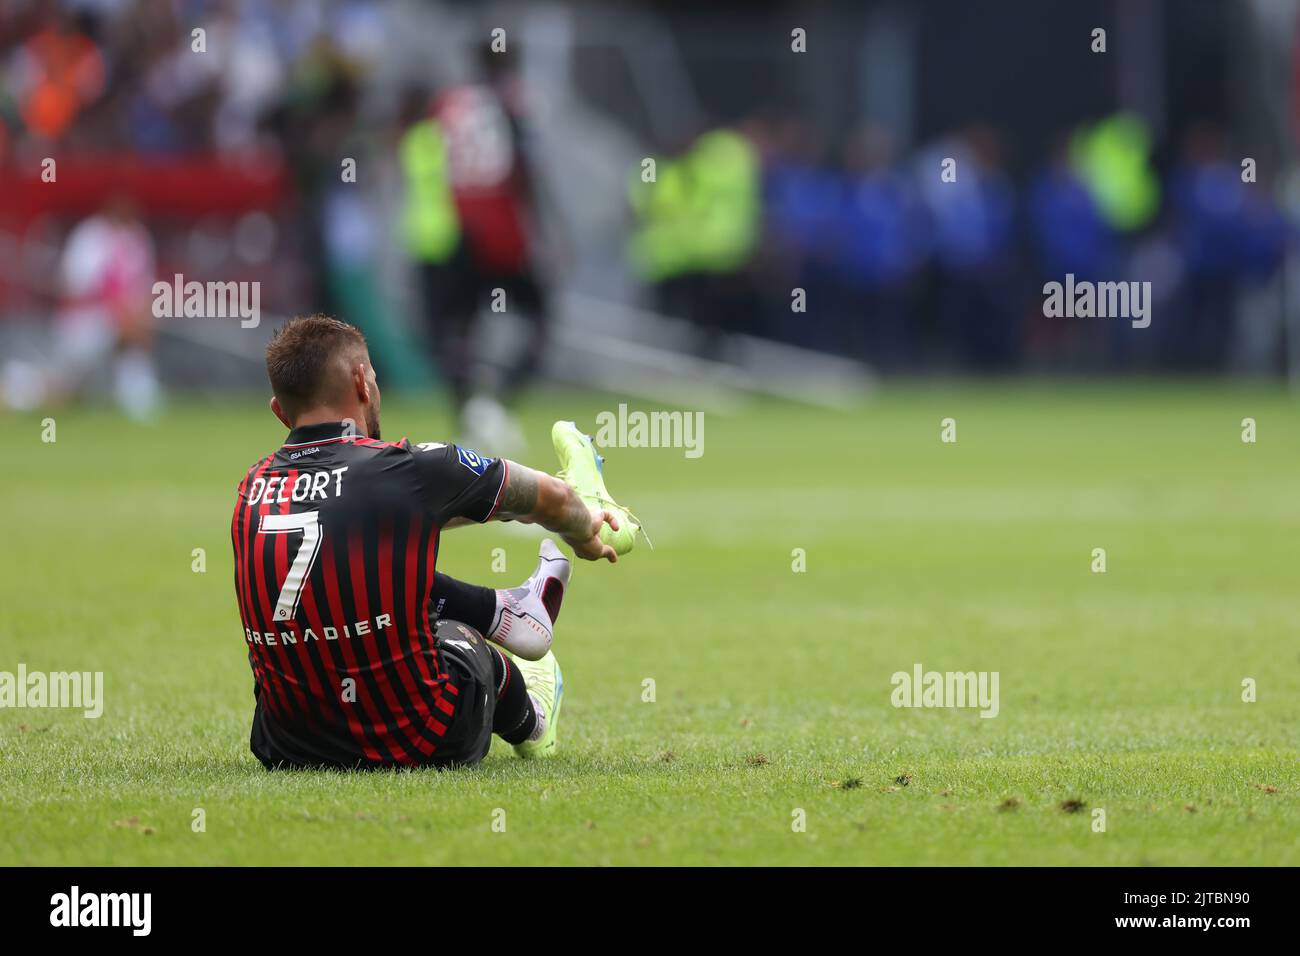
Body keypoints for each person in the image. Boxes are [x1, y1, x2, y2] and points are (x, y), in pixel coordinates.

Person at [231, 314, 620, 770]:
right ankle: (531, 718)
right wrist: (584, 530)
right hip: (421, 739)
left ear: (280, 411)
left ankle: (508, 609)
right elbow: (553, 499)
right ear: (362, 382)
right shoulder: (406, 469)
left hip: (288, 746)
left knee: (360, 569)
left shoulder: (251, 489)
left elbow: (366, 522)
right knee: (461, 644)